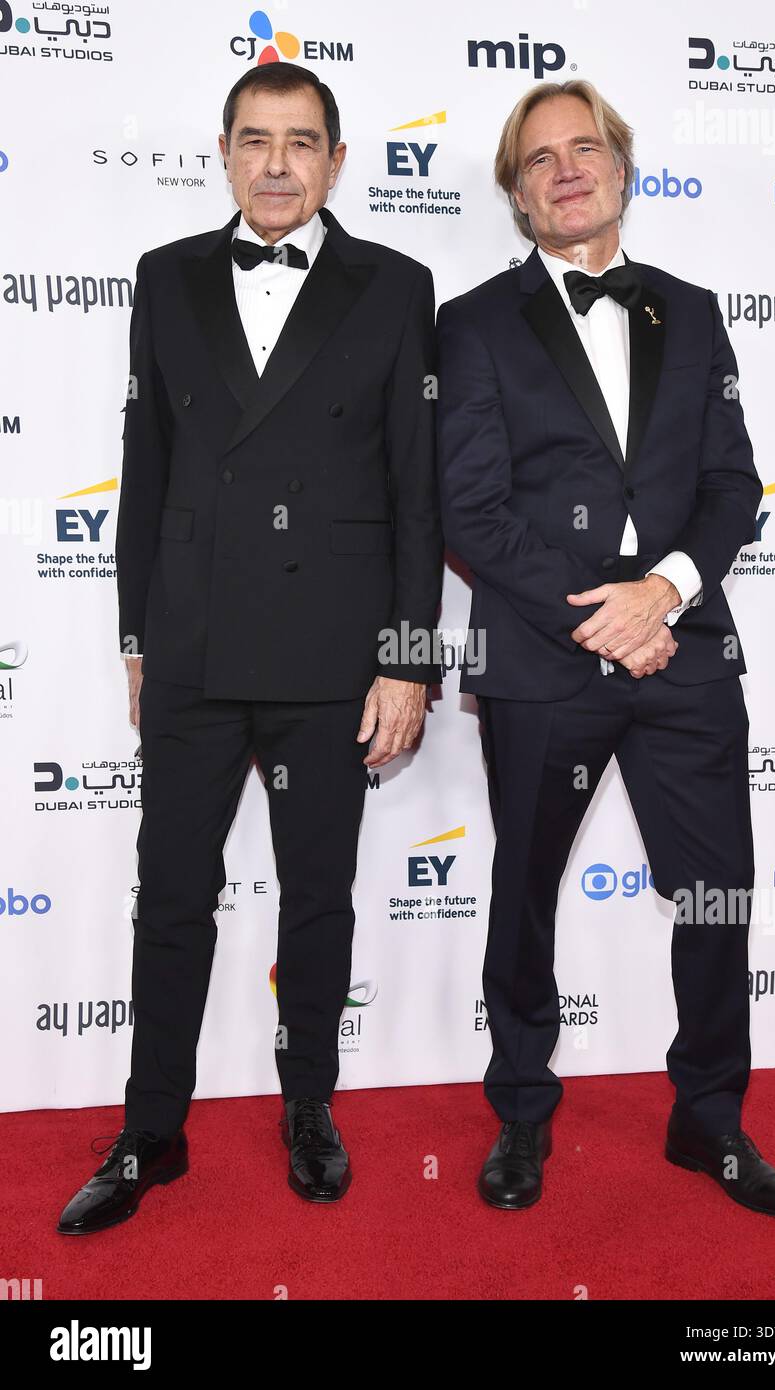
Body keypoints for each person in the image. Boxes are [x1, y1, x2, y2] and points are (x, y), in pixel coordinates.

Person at [57, 62, 442, 1234]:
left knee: (317, 900)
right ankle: (148, 1129)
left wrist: (410, 656)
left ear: (335, 160)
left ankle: (309, 1107)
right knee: (172, 896)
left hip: (336, 656)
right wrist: (136, 631)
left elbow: (415, 489)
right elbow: (147, 474)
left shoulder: (394, 285)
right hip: (191, 646)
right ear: (224, 152)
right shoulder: (165, 277)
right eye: (256, 140)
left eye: (302, 142)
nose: (278, 163)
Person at [436, 80, 775, 1216]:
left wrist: (666, 591)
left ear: (621, 168)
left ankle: (710, 1121)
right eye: (537, 158)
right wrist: (602, 614)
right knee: (527, 894)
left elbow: (732, 483)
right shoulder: (471, 324)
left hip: (686, 653)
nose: (563, 170)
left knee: (714, 897)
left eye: (582, 148)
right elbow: (468, 506)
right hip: (547, 657)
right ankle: (522, 1117)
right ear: (514, 192)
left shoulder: (690, 313)